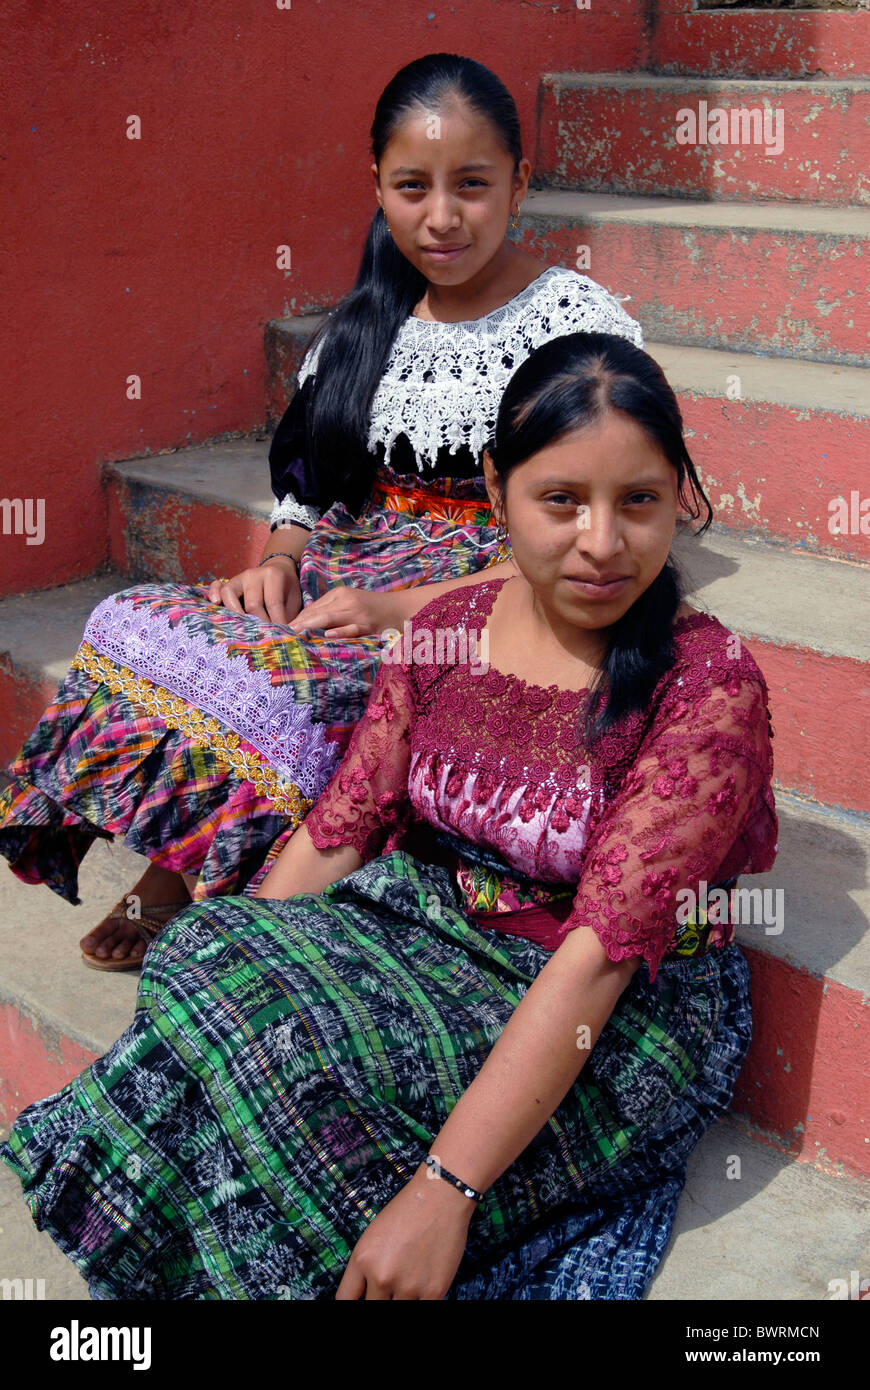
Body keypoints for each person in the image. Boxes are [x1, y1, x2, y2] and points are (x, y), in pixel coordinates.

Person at [1, 331, 778, 1300]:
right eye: (562, 500)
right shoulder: (448, 630)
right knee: (207, 954)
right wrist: (238, 950)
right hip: (437, 921)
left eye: (641, 502)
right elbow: (342, 827)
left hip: (614, 1012)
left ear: (677, 500)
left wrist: (442, 1191)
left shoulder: (704, 685)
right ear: (496, 490)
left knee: (282, 1076)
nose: (602, 542)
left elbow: (599, 959)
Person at [0, 53, 643, 970]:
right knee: (130, 621)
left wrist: (397, 613)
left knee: (284, 686)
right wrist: (278, 561)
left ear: (520, 184)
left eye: (473, 184)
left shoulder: (572, 324)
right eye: (413, 186)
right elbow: (308, 487)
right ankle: (183, 857)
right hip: (347, 571)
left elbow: (587, 525)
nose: (444, 216)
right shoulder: (364, 323)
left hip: (491, 591)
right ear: (376, 185)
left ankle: (189, 885)